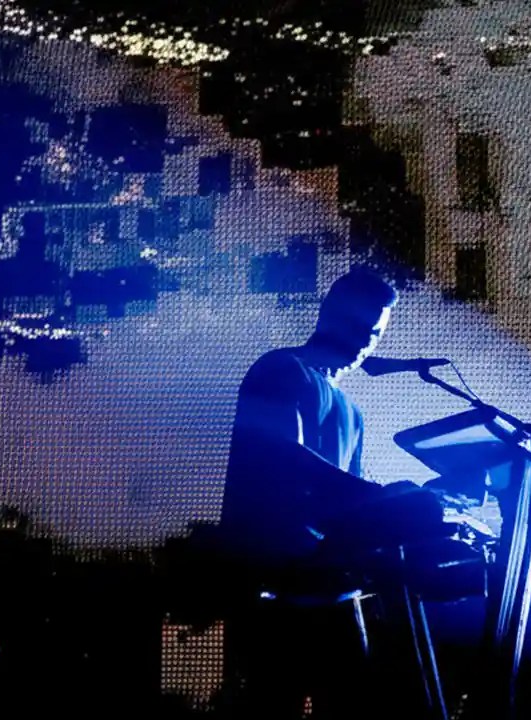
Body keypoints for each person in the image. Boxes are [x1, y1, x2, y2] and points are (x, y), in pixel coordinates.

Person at [217, 267, 438, 719]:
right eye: (357, 326)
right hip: (270, 587)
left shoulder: (353, 413)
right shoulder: (281, 370)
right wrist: (386, 497)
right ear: (328, 314)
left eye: (373, 334)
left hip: (329, 591)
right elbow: (282, 462)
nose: (363, 342)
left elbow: (345, 512)